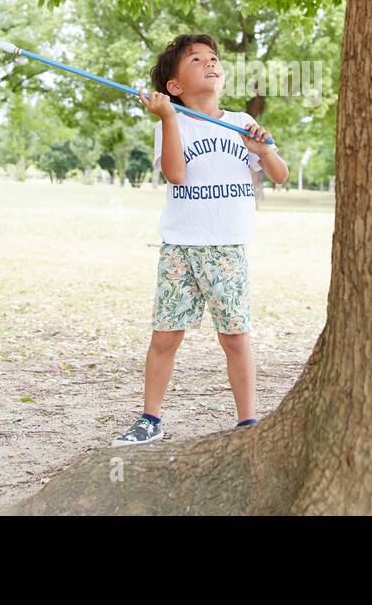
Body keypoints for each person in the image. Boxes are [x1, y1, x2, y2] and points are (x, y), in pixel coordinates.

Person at [111, 35, 288, 446]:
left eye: (213, 59)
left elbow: (279, 174)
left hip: (228, 246)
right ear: (174, 87)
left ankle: (248, 423)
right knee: (166, 335)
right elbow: (175, 174)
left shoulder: (243, 122)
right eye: (196, 60)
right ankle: (150, 418)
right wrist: (168, 120)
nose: (210, 64)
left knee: (235, 336)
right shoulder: (172, 121)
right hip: (180, 245)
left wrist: (261, 151)